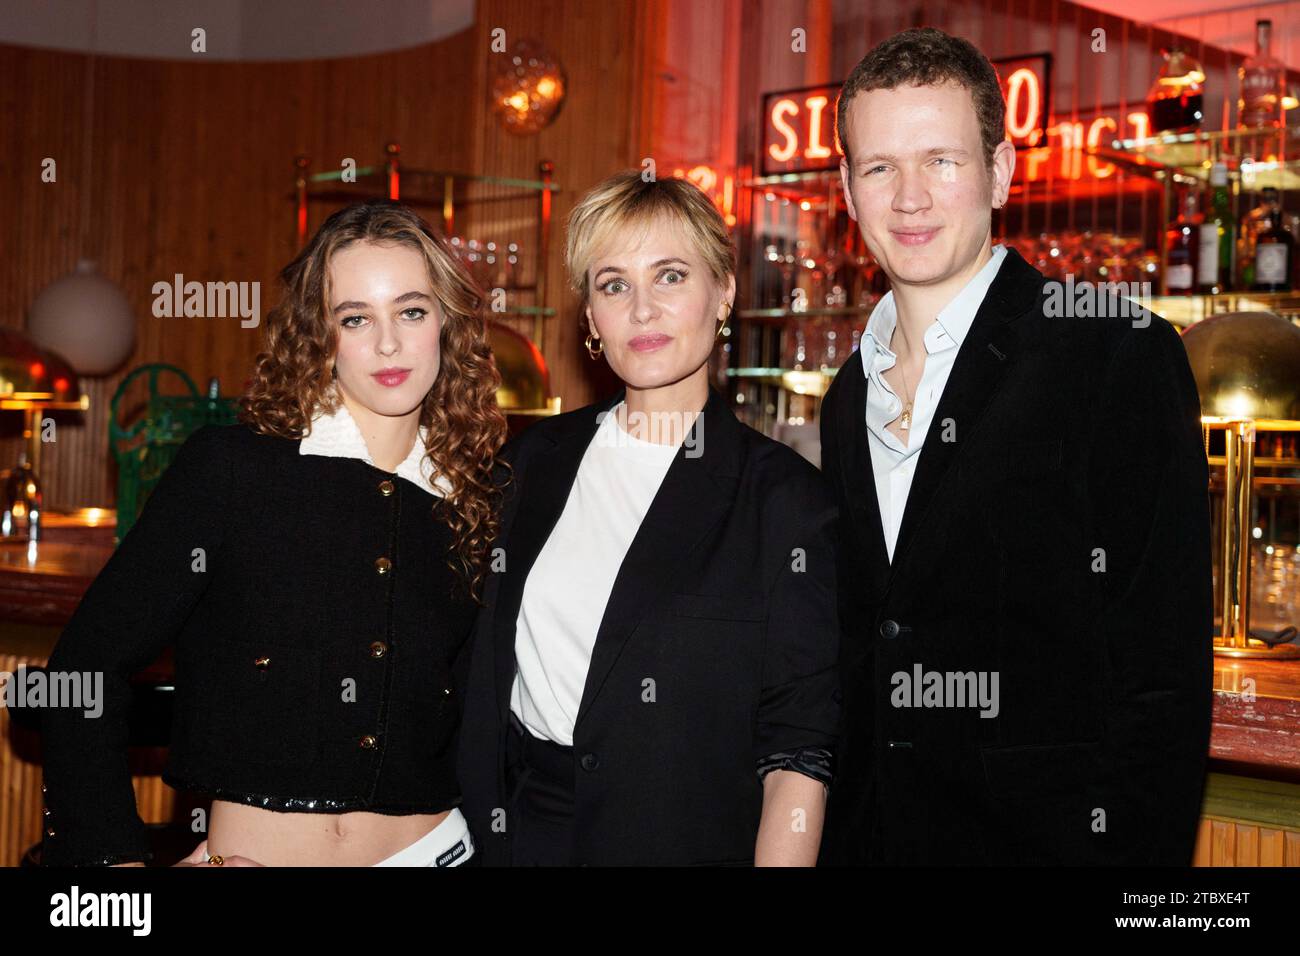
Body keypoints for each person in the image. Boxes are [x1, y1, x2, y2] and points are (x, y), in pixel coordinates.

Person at [818, 27, 1213, 865]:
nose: (910, 197)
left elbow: (1161, 686)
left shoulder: (1116, 352)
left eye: (942, 160)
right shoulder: (848, 394)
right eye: (880, 167)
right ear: (847, 190)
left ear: (1000, 172)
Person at [40, 199, 506, 867]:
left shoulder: (478, 498)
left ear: (447, 324)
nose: (387, 343)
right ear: (320, 334)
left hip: (436, 852)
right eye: (355, 318)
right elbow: (81, 671)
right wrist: (117, 865)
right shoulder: (233, 472)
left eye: (411, 310)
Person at [457, 171, 840, 866]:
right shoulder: (529, 464)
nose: (641, 310)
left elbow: (797, 749)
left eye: (669, 276)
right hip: (519, 837)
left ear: (723, 292)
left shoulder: (785, 501)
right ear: (591, 317)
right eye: (613, 284)